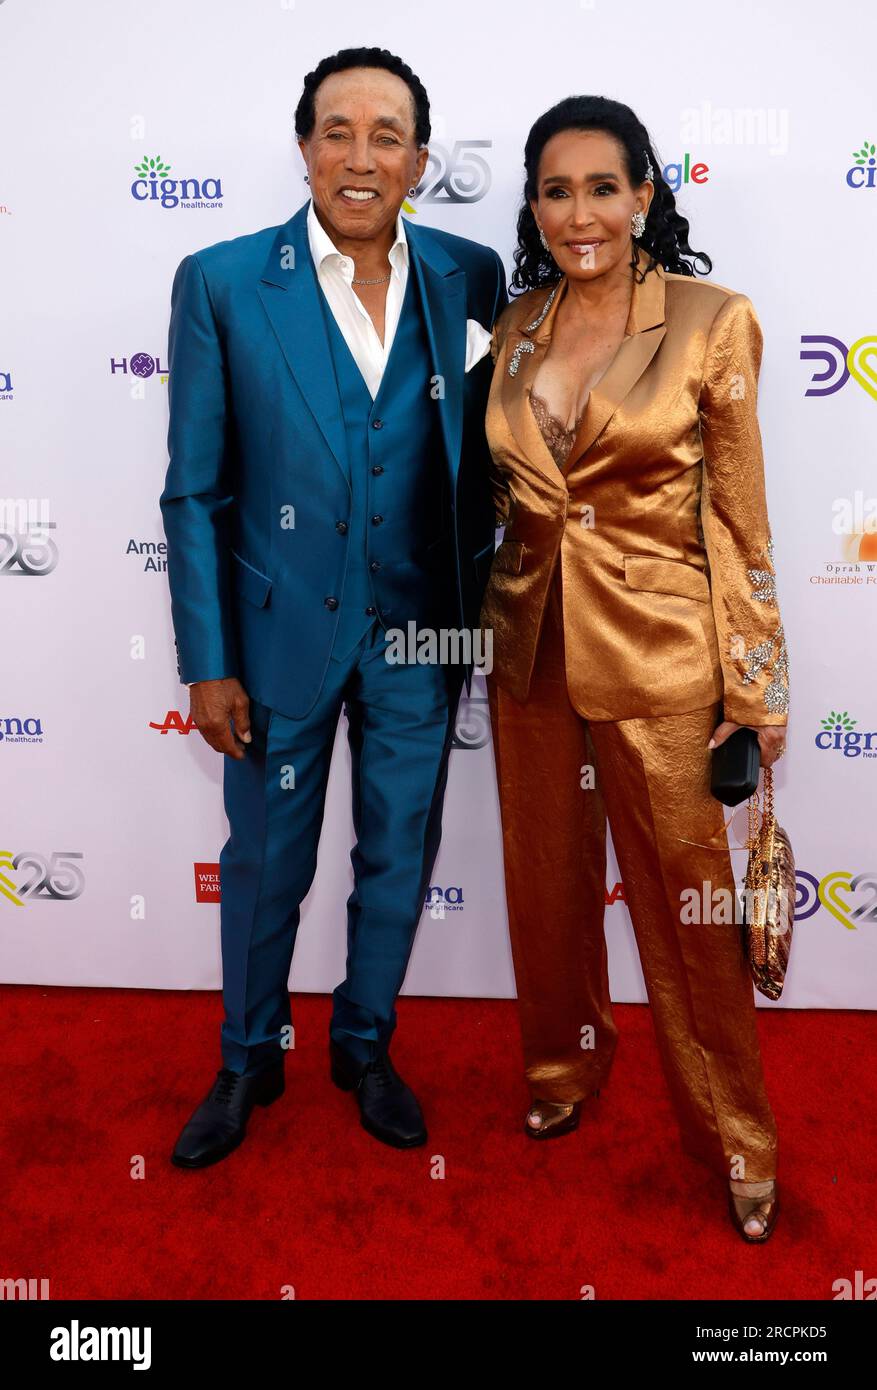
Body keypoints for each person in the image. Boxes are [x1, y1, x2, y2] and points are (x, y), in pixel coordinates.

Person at [160, 47, 506, 1167]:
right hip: (276, 637)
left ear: (418, 156)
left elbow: (487, 458)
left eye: (388, 135)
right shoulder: (219, 282)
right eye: (339, 131)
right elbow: (194, 488)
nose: (363, 158)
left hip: (424, 627)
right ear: (305, 145)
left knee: (398, 848)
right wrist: (207, 660)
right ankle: (247, 1054)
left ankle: (365, 1041)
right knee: (266, 858)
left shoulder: (471, 273)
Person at [480, 95, 789, 1241]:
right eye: (554, 191)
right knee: (545, 889)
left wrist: (753, 692)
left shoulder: (712, 320)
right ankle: (562, 1066)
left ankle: (737, 1138)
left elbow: (741, 522)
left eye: (602, 187)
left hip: (663, 662)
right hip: (529, 657)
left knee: (687, 919)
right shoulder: (514, 326)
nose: (579, 213)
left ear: (647, 193)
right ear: (534, 204)